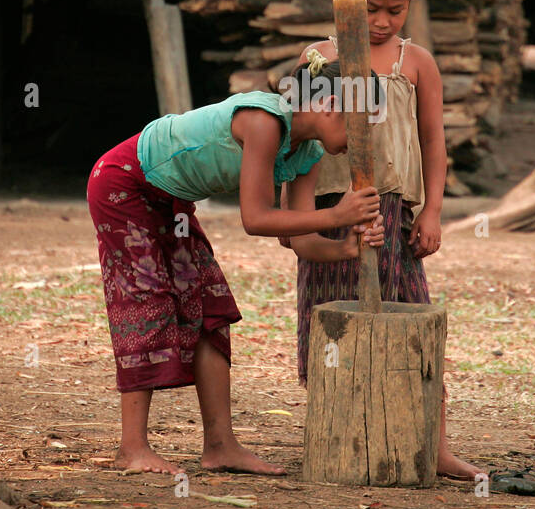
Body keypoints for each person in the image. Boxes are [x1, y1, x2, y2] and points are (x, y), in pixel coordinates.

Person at [87, 87, 382, 476]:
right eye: (362, 128)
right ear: (329, 105)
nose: (365, 142)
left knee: (210, 309)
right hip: (123, 185)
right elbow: (255, 219)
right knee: (147, 306)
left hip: (169, 201)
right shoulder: (264, 121)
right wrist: (337, 216)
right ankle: (133, 449)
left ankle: (221, 447)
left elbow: (300, 239)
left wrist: (346, 249)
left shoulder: (307, 153)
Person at [281, 0, 483, 480]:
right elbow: (295, 139)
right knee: (334, 324)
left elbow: (434, 142)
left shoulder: (415, 63)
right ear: (344, 1)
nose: (382, 21)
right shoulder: (318, 58)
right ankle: (342, 434)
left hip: (393, 214)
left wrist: (433, 212)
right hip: (330, 211)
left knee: (413, 319)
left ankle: (433, 445)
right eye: (370, 9)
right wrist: (303, 218)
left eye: (395, 10)